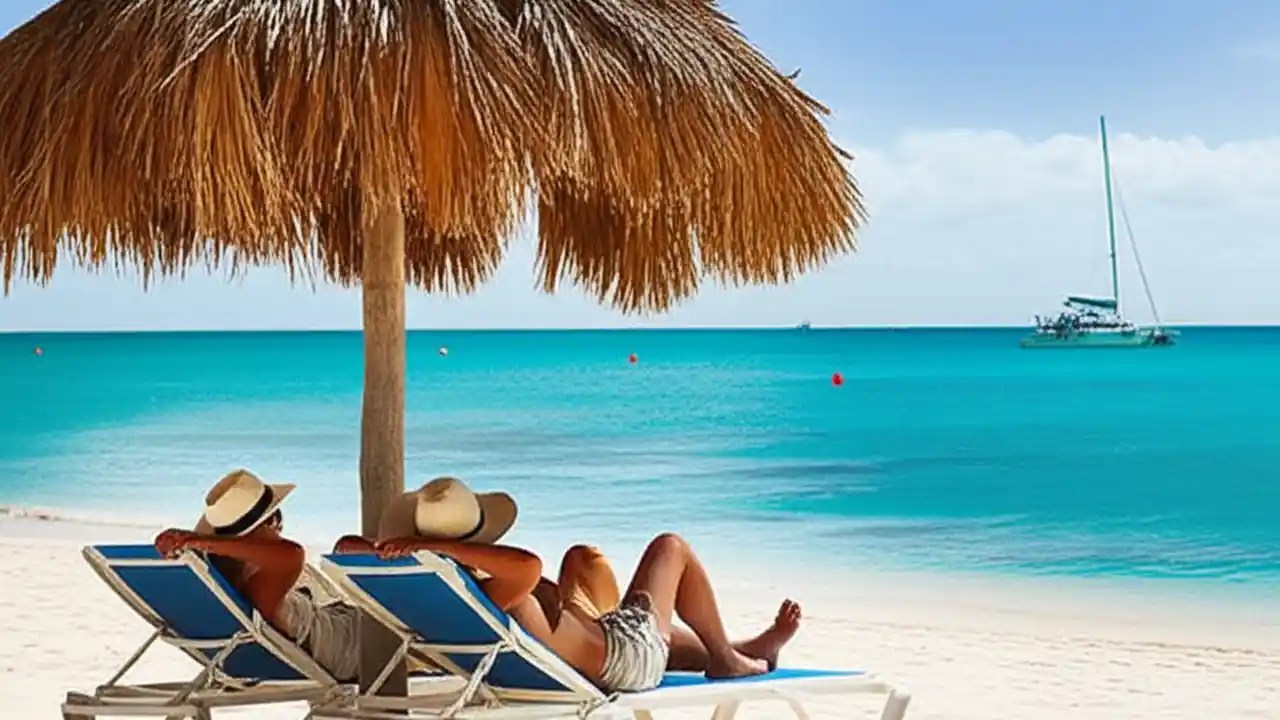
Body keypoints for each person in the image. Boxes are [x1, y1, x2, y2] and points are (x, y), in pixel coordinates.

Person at [358, 477, 801, 693]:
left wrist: (405, 548)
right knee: (671, 548)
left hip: (599, 644)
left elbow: (345, 547)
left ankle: (746, 645)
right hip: (626, 660)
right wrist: (437, 545)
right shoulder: (493, 592)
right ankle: (726, 659)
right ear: (472, 541)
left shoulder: (444, 595)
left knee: (580, 560)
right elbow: (528, 566)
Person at [152, 469, 359, 682]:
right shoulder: (259, 586)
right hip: (351, 645)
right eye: (276, 519)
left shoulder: (216, 580)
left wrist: (198, 542)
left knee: (350, 547)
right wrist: (198, 541)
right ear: (267, 524)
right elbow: (293, 554)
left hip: (334, 624)